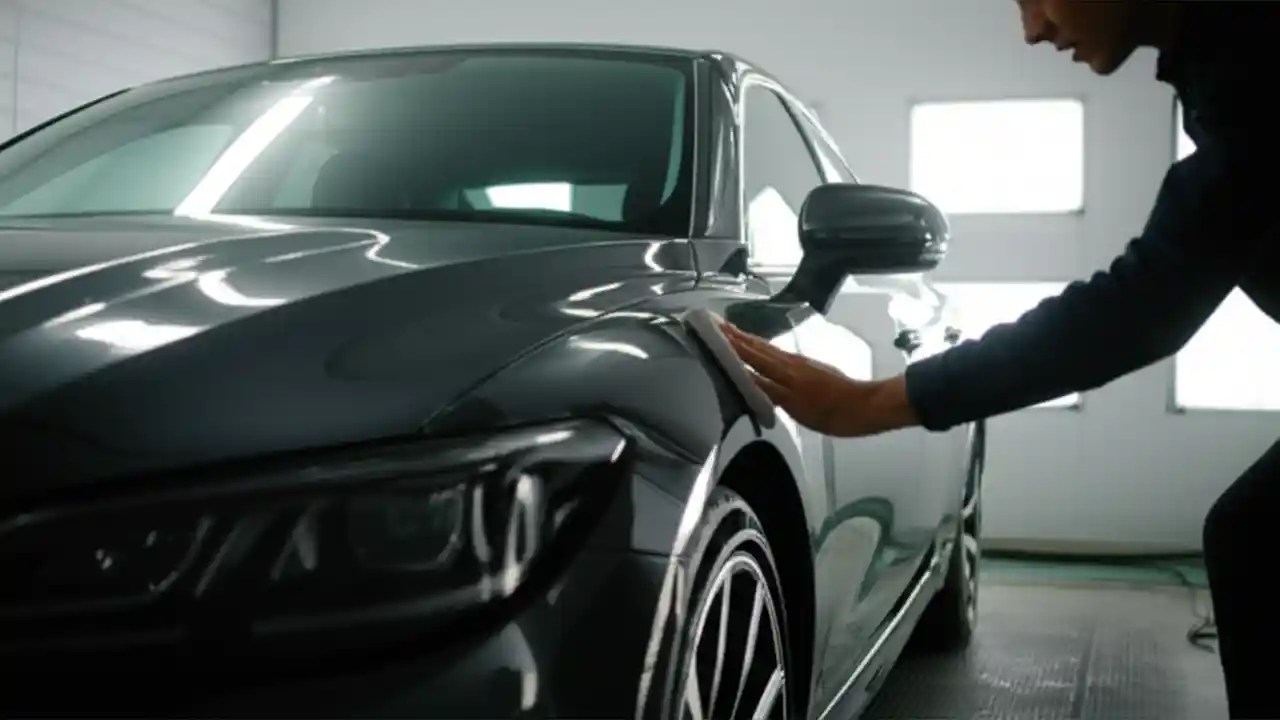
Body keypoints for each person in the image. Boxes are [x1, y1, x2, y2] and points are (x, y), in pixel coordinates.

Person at [720, 1, 1279, 717]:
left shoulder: (1257, 60)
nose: (1032, 29)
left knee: (1254, 541)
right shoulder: (1228, 64)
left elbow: (1141, 306)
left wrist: (869, 402)